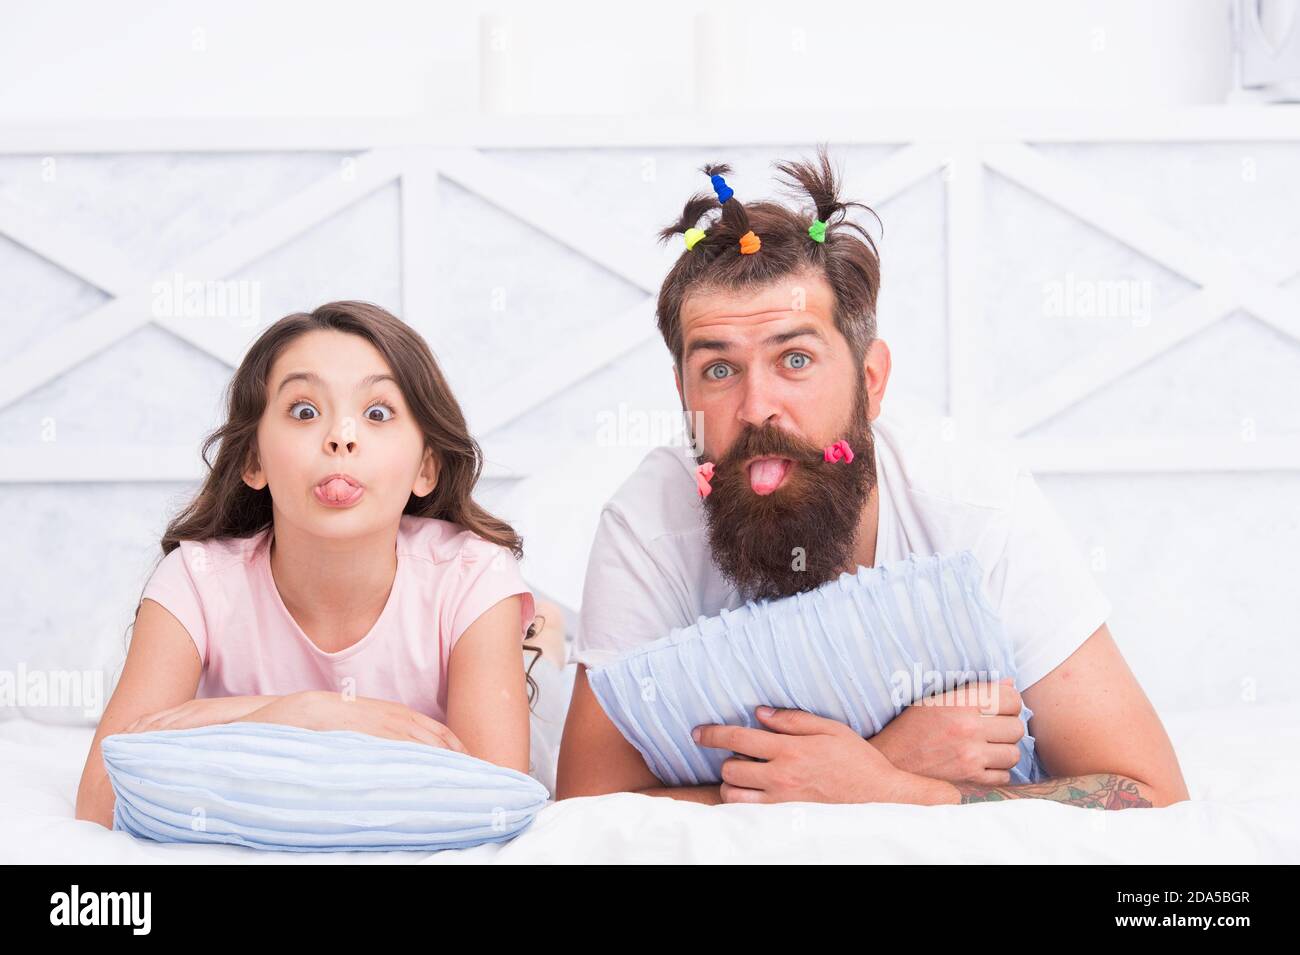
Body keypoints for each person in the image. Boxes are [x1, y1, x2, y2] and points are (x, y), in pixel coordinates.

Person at [556, 148, 1189, 810]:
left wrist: (896, 789)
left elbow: (1150, 795)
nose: (755, 406)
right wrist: (872, 768)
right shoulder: (648, 521)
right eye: (718, 370)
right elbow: (585, 811)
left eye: (794, 358)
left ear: (871, 380)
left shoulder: (975, 507)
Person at [75, 301, 566, 828]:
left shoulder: (474, 574)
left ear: (426, 468)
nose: (342, 436)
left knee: (547, 649)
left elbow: (495, 801)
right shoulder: (197, 580)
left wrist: (224, 716)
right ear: (253, 461)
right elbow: (99, 801)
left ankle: (547, 628)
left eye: (377, 413)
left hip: (519, 657)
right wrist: (308, 713)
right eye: (305, 411)